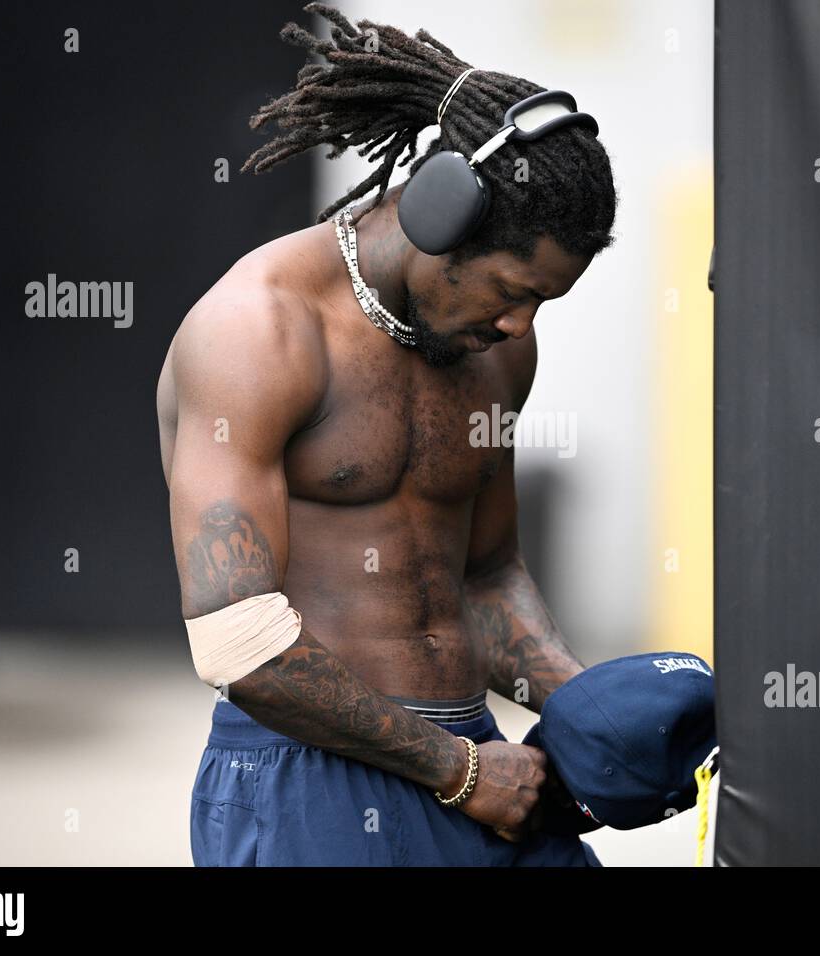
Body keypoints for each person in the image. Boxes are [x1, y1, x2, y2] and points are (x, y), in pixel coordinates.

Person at [155, 3, 618, 865]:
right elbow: (241, 643)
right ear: (438, 222)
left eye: (542, 304)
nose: (520, 326)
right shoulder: (258, 332)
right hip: (311, 781)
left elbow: (486, 573)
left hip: (482, 767)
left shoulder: (496, 351)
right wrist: (456, 772)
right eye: (512, 290)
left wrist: (599, 712)